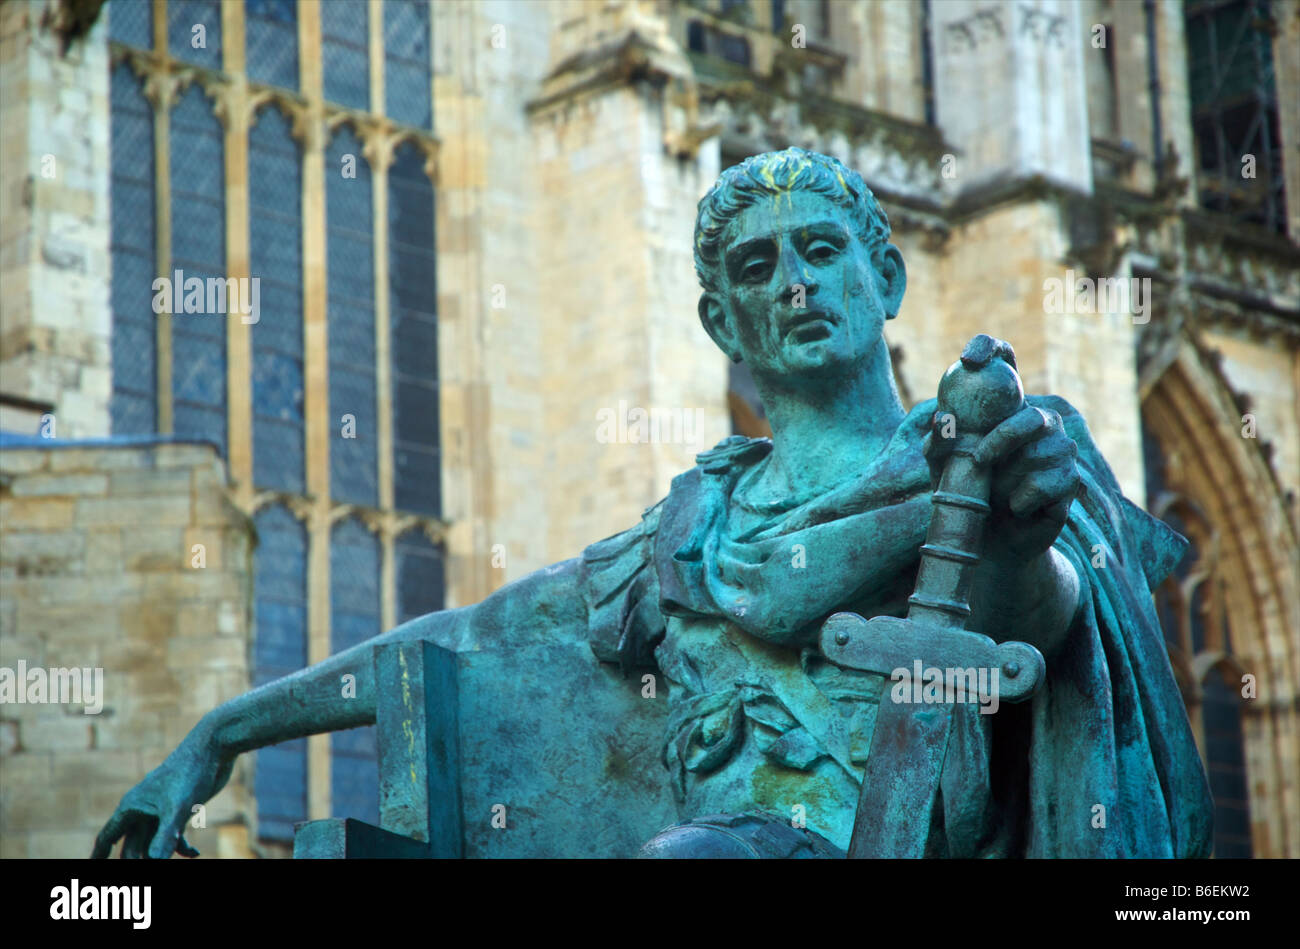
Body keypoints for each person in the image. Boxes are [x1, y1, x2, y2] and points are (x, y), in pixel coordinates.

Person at [94, 148, 1212, 859]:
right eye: (760, 268)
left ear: (887, 281)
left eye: (823, 252)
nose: (796, 283)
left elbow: (1041, 624)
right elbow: (473, 635)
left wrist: (1017, 548)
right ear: (722, 324)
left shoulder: (975, 462)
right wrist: (223, 729)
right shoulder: (689, 529)